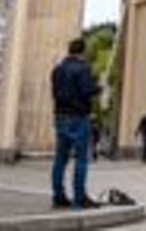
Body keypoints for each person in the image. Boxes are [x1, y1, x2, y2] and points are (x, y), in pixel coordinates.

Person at [50, 38, 100, 210]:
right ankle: (79, 199)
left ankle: (58, 195)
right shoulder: (82, 69)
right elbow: (87, 91)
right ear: (82, 52)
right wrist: (99, 87)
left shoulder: (57, 70)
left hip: (60, 116)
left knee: (60, 159)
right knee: (80, 159)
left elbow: (55, 93)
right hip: (78, 117)